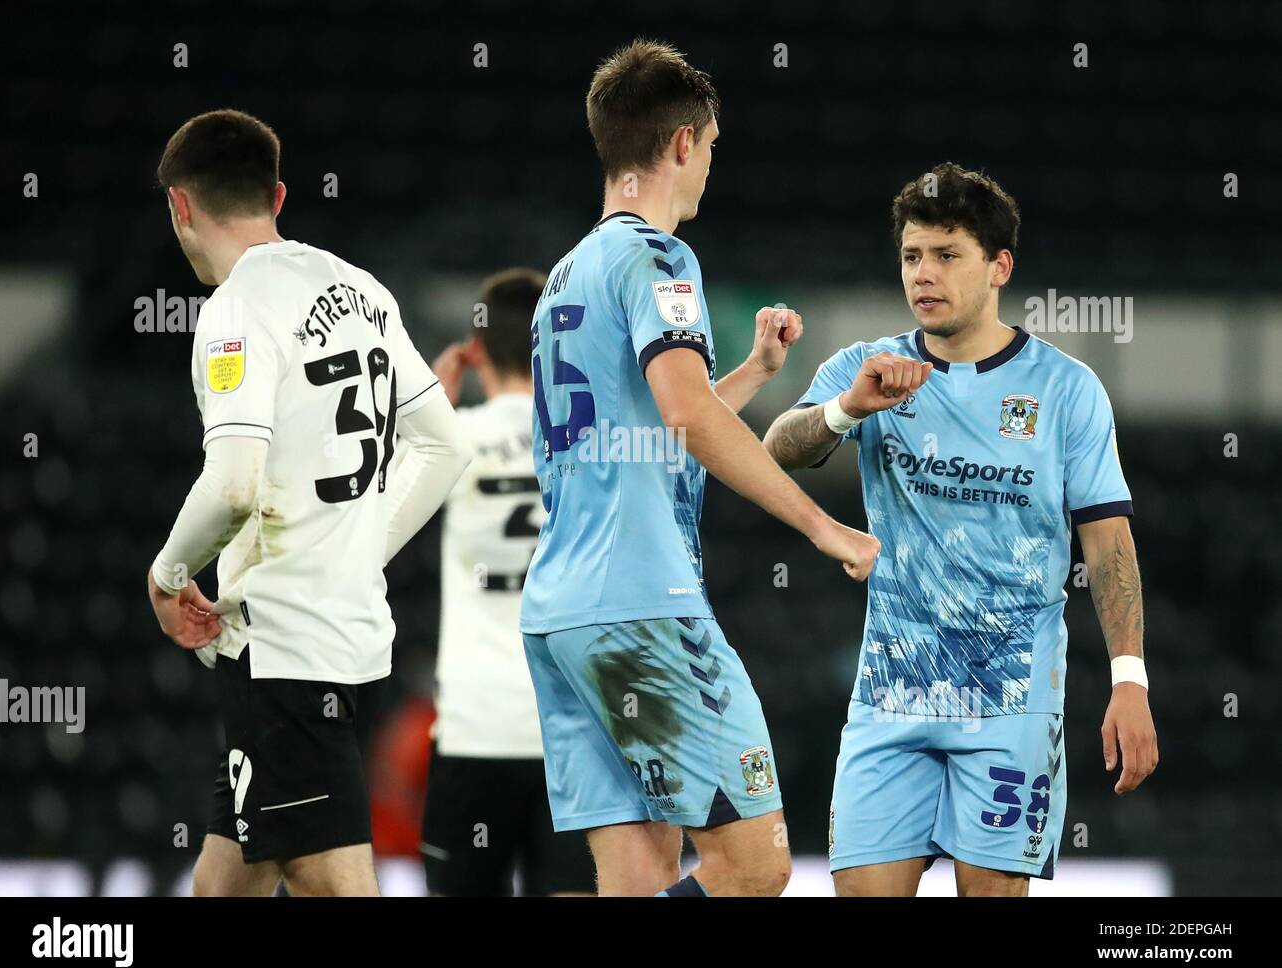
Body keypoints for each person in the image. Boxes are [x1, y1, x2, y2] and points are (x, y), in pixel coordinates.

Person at [520, 40, 879, 898]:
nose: (712, 166)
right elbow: (683, 414)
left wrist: (751, 376)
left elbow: (648, 425)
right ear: (682, 143)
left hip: (563, 613)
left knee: (640, 875)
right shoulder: (659, 258)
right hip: (642, 605)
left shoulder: (563, 281)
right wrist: (822, 525)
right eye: (712, 146)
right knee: (753, 866)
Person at [764, 162, 1158, 896]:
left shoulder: (1065, 389)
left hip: (1012, 701)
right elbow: (777, 449)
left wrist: (1128, 678)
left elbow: (1108, 543)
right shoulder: (868, 368)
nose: (924, 273)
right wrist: (849, 408)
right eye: (912, 255)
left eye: (948, 255)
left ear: (999, 266)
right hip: (891, 697)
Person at [146, 109, 473, 896]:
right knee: (228, 879)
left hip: (283, 649)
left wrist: (166, 576)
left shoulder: (233, 309)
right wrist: (355, 548)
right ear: (279, 196)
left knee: (331, 879)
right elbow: (443, 445)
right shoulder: (360, 288)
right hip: (349, 640)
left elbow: (232, 483)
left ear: (180, 207)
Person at [420, 267, 594, 896]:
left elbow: (371, 506)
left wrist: (431, 408)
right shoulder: (594, 441)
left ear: (476, 348)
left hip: (476, 727)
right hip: (576, 729)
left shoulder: (453, 439)